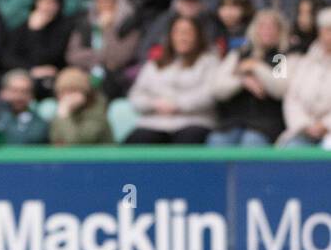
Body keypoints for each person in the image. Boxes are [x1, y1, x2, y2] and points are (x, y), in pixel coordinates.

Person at [125, 16, 220, 144]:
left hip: (194, 121)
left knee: (187, 141)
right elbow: (136, 95)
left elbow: (210, 94)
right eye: (178, 32)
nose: (182, 37)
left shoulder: (209, 61)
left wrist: (178, 105)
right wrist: (154, 104)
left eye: (187, 32)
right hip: (154, 122)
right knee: (136, 141)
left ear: (198, 36)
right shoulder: (155, 64)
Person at [208, 8, 288, 147]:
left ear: (280, 32)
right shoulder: (237, 54)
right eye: (262, 26)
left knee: (251, 142)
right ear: (254, 30)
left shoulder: (280, 57)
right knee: (217, 141)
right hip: (232, 122)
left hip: (265, 125)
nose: (267, 31)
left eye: (272, 27)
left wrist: (256, 66)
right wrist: (242, 81)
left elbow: (280, 88)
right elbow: (217, 89)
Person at [278, 7, 331, 147]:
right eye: (327, 30)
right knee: (292, 150)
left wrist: (325, 124)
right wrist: (305, 125)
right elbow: (292, 98)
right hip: (303, 130)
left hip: (328, 133)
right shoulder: (304, 61)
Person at [48, 65, 113, 145]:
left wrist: (64, 114)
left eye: (72, 91)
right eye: (63, 92)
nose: (67, 97)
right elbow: (56, 141)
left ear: (85, 93)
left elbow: (76, 142)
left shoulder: (97, 112)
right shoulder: (61, 112)